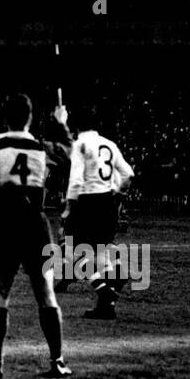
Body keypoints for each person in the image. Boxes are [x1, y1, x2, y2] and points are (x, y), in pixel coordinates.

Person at [0, 95, 73, 379]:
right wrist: (61, 125)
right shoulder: (41, 147)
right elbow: (71, 154)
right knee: (46, 293)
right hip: (36, 225)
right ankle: (57, 360)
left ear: (4, 118)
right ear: (29, 118)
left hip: (4, 223)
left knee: (0, 292)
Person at [65, 110, 135, 319]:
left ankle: (103, 290)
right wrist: (118, 191)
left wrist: (69, 207)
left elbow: (76, 179)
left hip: (88, 201)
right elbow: (128, 173)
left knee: (73, 252)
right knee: (100, 250)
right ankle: (107, 304)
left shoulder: (80, 145)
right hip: (107, 203)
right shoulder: (110, 144)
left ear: (76, 127)